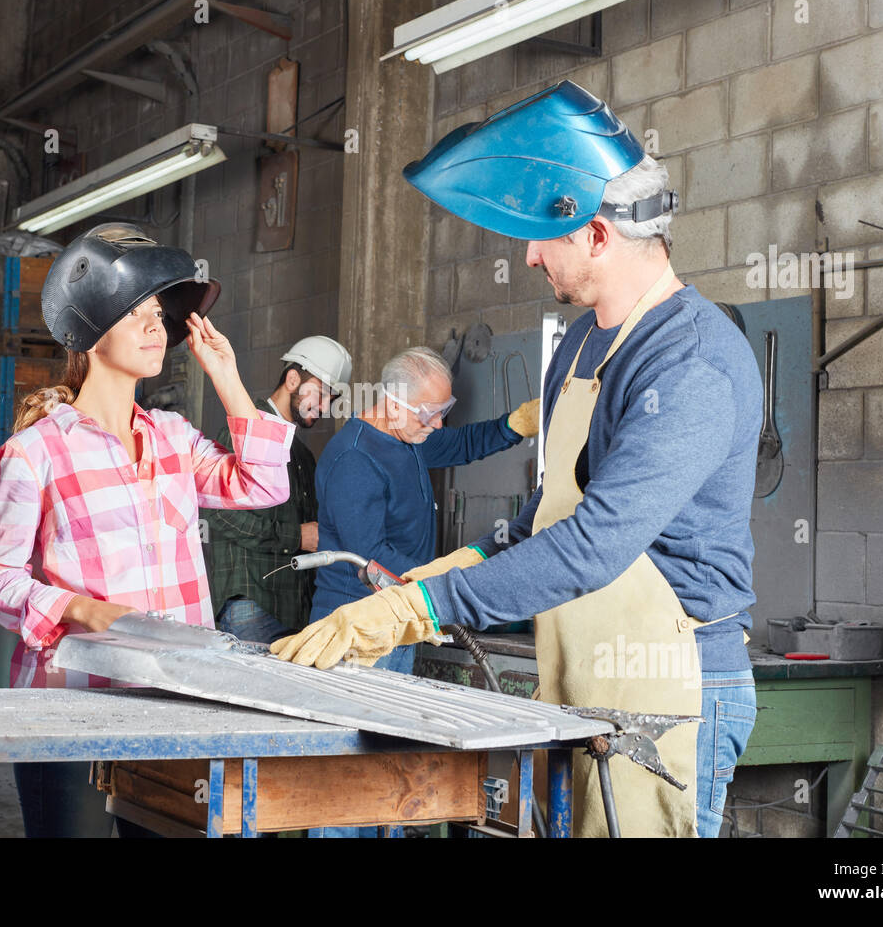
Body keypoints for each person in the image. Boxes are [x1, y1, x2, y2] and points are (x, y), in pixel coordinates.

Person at [273, 80, 762, 839]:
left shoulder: (691, 359)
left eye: (543, 236)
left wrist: (423, 609)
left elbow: (595, 540)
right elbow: (543, 520)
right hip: (579, 666)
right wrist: (428, 577)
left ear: (597, 234)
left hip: (674, 683)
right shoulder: (576, 343)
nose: (529, 256)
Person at [0, 223, 294, 837]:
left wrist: (227, 377)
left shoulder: (172, 438)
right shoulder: (36, 451)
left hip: (172, 702)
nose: (157, 327)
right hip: (73, 708)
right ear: (91, 330)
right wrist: (80, 610)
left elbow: (262, 486)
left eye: (159, 313)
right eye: (136, 311)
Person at [308, 346, 540, 676]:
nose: (437, 422)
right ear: (392, 404)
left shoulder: (409, 435)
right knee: (365, 724)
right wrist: (446, 584)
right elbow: (371, 556)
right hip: (358, 630)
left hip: (398, 615)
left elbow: (462, 443)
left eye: (444, 409)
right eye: (429, 412)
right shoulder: (354, 460)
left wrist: (514, 425)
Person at [206, 335, 352, 643]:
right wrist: (297, 536)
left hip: (291, 612)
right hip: (251, 604)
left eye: (331, 399)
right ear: (293, 379)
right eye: (322, 394)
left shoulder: (302, 456)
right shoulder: (245, 430)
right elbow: (220, 514)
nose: (325, 407)